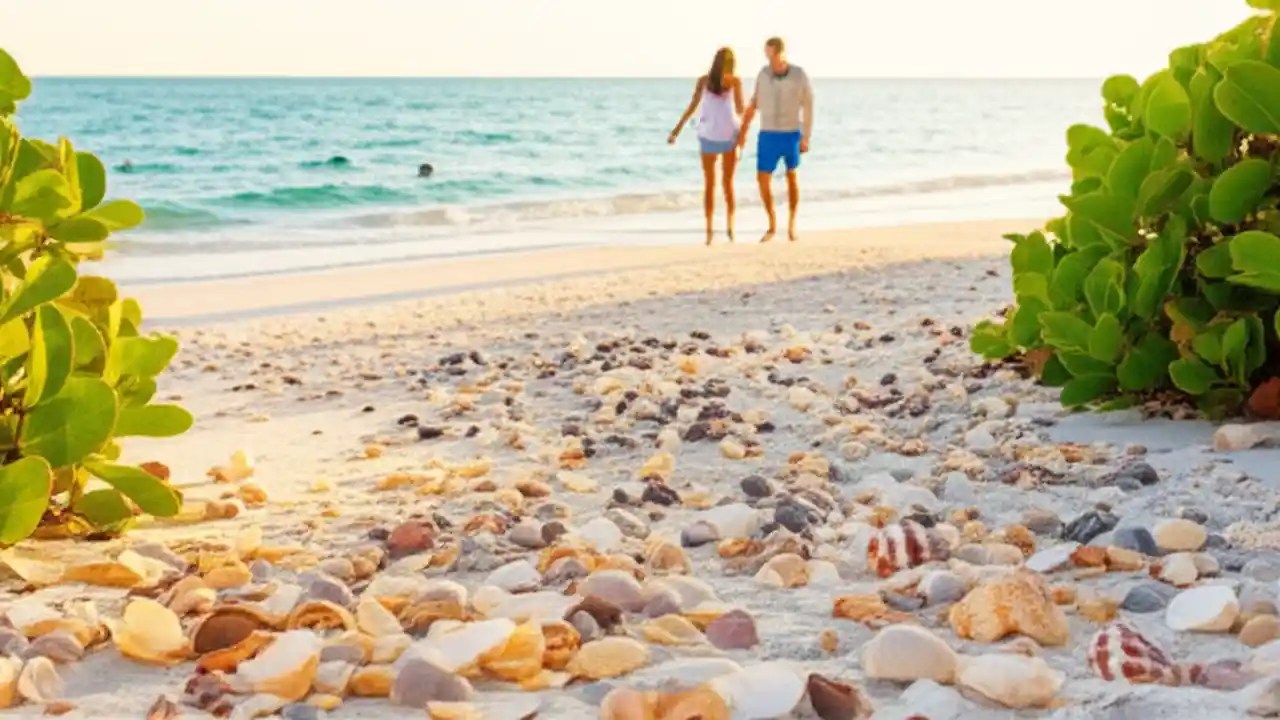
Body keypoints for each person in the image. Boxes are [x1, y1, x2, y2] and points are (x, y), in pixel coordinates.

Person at [737, 37, 814, 242]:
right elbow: (754, 102)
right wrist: (743, 132)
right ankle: (771, 224)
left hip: (791, 133)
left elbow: (808, 105)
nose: (768, 57)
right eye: (766, 53)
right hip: (768, 133)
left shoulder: (798, 75)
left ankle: (791, 225)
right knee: (762, 178)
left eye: (770, 53)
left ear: (781, 53)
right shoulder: (763, 74)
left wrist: (806, 135)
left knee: (792, 176)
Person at [668, 47, 744, 245]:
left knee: (710, 185)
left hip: (709, 136)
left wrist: (676, 130)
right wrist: (743, 136)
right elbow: (740, 110)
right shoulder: (734, 82)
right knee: (728, 184)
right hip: (729, 136)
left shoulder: (704, 81)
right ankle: (730, 228)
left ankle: (710, 231)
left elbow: (692, 106)